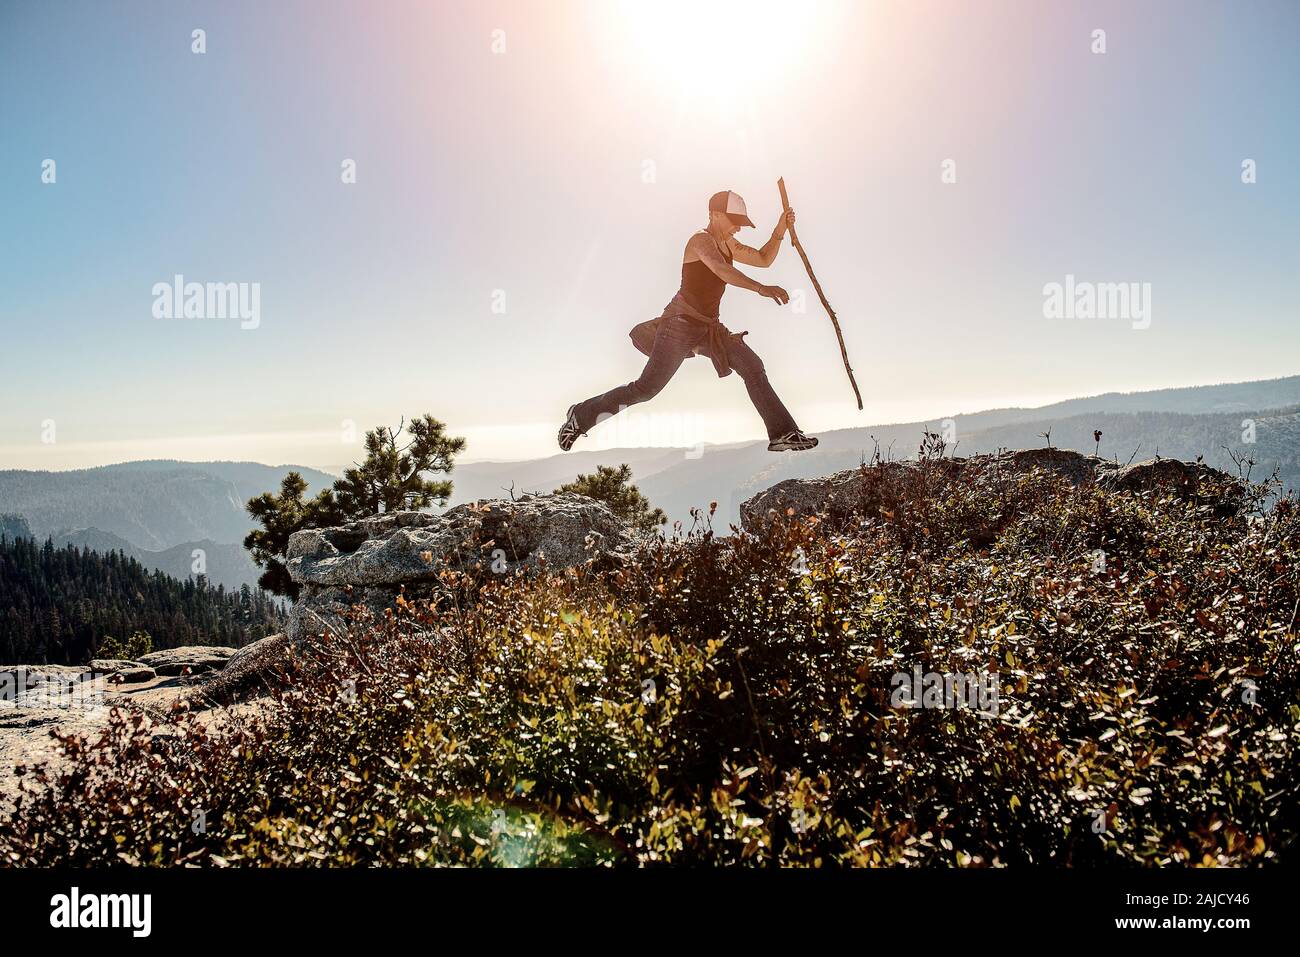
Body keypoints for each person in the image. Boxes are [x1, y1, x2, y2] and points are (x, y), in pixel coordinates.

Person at [557, 189, 819, 453]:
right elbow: (722, 270)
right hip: (679, 325)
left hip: (709, 327)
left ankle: (783, 433)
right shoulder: (700, 240)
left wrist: (780, 228)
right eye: (734, 221)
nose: (738, 228)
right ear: (715, 215)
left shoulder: (727, 244)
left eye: (741, 223)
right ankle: (580, 416)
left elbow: (763, 259)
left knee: (751, 364)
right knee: (645, 389)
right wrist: (762, 289)